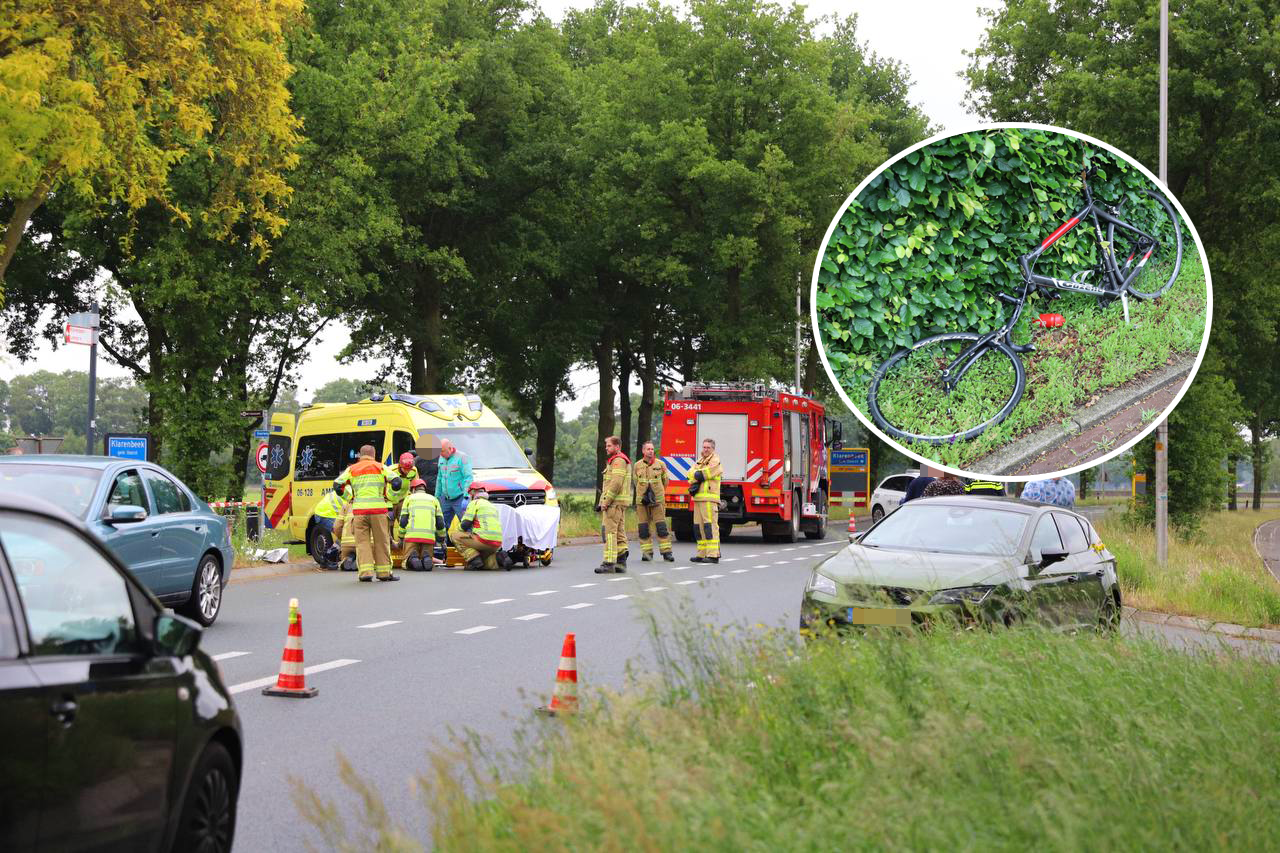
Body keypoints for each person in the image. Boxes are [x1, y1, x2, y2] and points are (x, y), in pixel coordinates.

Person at [333, 443, 402, 582]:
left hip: (359, 512)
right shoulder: (381, 467)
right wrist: (392, 493)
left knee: (362, 543)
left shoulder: (352, 469)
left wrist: (348, 497)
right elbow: (397, 481)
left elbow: (337, 485)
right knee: (381, 542)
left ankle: (365, 573)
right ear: (374, 455)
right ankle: (384, 573)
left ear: (360, 454)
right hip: (378, 511)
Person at [596, 435, 633, 573]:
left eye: (609, 446)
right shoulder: (619, 460)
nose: (606, 448)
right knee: (619, 533)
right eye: (606, 446)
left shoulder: (618, 461)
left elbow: (616, 484)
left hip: (614, 504)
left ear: (617, 447)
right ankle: (621, 563)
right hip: (619, 503)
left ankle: (609, 563)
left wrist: (606, 502)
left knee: (610, 533)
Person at [633, 441, 674, 562]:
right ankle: (647, 553)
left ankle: (667, 553)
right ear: (643, 451)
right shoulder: (637, 465)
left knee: (661, 527)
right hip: (642, 502)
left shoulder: (661, 464)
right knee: (643, 528)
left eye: (652, 449)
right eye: (648, 449)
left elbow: (665, 481)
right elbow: (636, 482)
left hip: (657, 501)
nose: (651, 451)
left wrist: (658, 493)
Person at [454, 482, 508, 570]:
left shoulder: (475, 503)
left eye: (469, 493)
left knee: (455, 535)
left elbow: (465, 524)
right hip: (497, 544)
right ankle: (500, 557)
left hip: (483, 540)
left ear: (473, 492)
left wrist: (458, 531)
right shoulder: (492, 506)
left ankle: (473, 558)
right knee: (487, 566)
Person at [395, 478, 446, 571]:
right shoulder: (434, 500)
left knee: (405, 562)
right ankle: (426, 558)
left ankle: (412, 559)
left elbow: (403, 521)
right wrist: (442, 539)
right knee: (427, 555)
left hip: (412, 536)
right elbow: (440, 522)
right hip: (429, 537)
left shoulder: (409, 499)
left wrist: (401, 537)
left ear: (413, 489)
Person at [689, 437, 723, 564]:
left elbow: (703, 474)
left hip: (709, 499)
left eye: (708, 447)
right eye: (704, 447)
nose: (705, 449)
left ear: (713, 449)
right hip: (698, 498)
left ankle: (713, 555)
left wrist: (697, 474)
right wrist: (697, 474)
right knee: (698, 527)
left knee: (710, 527)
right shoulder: (700, 460)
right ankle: (701, 554)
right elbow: (689, 474)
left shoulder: (715, 461)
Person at [435, 438, 473, 535]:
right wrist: (437, 496)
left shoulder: (462, 458)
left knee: (466, 525)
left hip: (460, 498)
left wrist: (466, 496)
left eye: (442, 451)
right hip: (445, 499)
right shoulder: (441, 458)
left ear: (450, 448)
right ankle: (440, 547)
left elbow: (468, 477)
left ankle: (470, 547)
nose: (440, 454)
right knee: (440, 525)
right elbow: (439, 478)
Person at [311, 485, 350, 568]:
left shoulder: (348, 488)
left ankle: (329, 558)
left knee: (345, 535)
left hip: (323, 512)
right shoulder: (352, 495)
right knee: (345, 535)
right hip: (325, 514)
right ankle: (326, 559)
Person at [329, 502, 358, 571]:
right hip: (364, 544)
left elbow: (336, 527)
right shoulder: (373, 504)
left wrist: (341, 539)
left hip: (346, 544)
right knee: (367, 557)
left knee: (344, 555)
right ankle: (359, 561)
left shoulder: (346, 505)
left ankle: (344, 562)